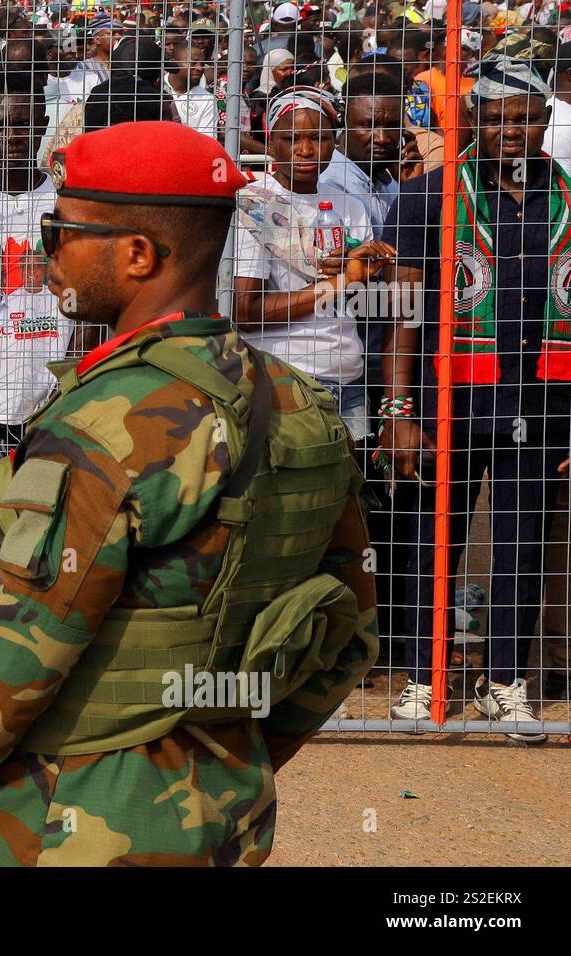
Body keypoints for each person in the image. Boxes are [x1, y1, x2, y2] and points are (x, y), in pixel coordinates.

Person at [0, 120, 378, 867]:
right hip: (222, 804)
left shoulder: (109, 420)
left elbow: (20, 644)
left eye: (60, 231)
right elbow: (346, 628)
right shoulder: (294, 401)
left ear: (138, 254)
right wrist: (231, 743)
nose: (47, 257)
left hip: (65, 814)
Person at [381, 57, 563, 741]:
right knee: (435, 544)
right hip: (447, 406)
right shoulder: (428, 197)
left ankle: (505, 683)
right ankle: (427, 680)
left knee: (520, 549)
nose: (511, 133)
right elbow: (401, 313)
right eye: (496, 120)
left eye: (524, 119)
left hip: (543, 406)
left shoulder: (567, 198)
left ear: (545, 122)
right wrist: (399, 415)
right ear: (476, 125)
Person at [233, 86, 396, 443]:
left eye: (319, 138)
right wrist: (338, 283)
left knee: (349, 494)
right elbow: (245, 310)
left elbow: (359, 298)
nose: (306, 151)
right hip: (288, 379)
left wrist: (367, 270)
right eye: (292, 138)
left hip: (349, 378)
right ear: (272, 142)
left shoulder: (347, 203)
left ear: (334, 143)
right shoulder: (255, 204)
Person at [0, 76, 72, 577]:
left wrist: (68, 383)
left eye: (22, 125)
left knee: (47, 546)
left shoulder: (69, 205)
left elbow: (89, 308)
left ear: (42, 127)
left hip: (51, 406)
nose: (10, 137)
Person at [319, 72, 404, 237]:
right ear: (344, 119)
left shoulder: (390, 179)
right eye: (368, 125)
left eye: (393, 126)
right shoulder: (330, 183)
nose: (382, 138)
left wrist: (411, 187)